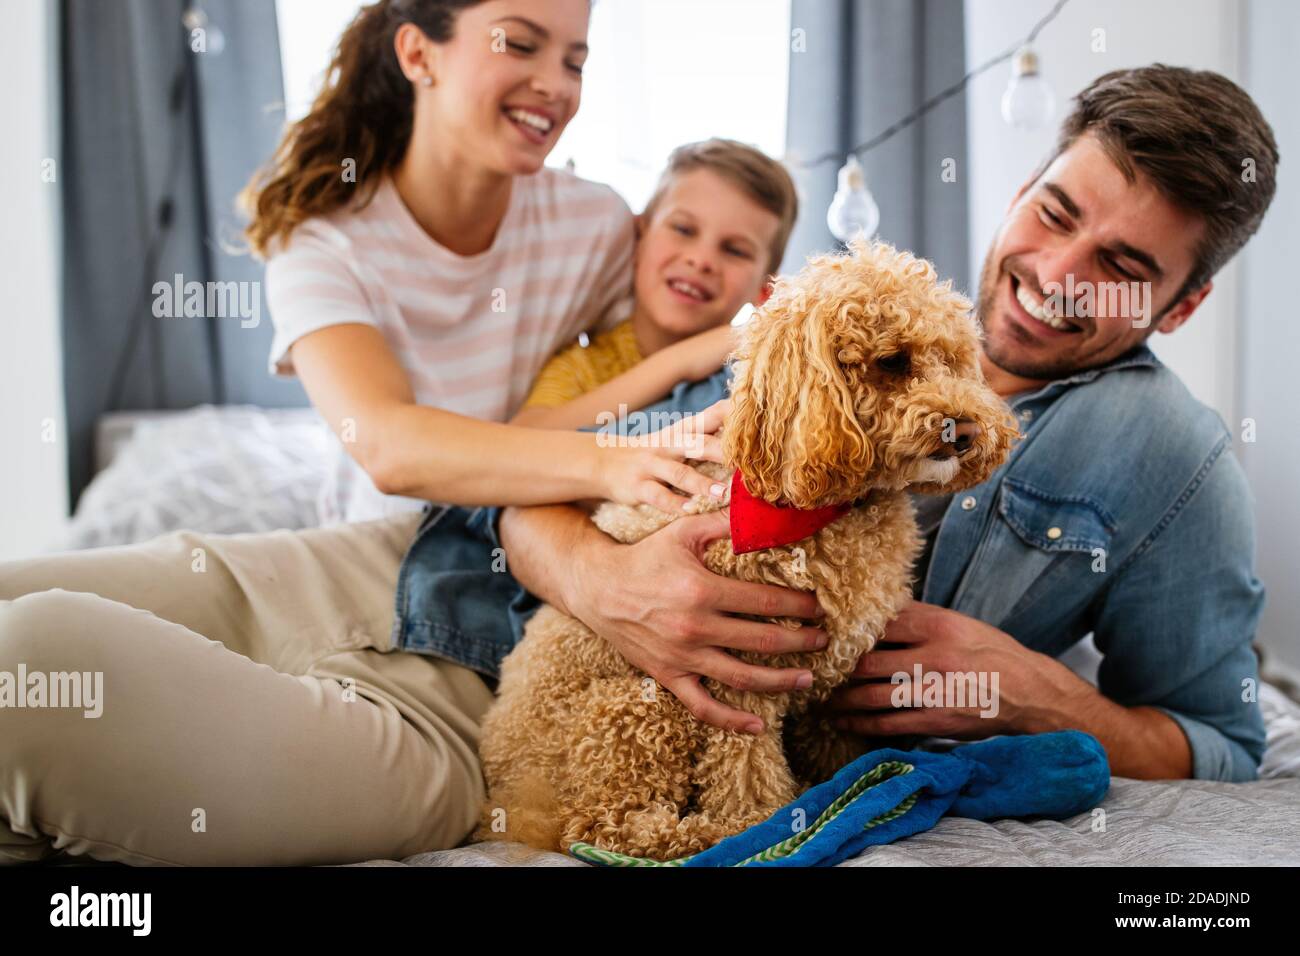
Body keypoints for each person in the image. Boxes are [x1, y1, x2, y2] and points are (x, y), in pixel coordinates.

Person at [0, 0, 756, 866]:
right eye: (520, 42)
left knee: (41, 669)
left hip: (481, 661)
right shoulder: (325, 239)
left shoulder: (591, 224)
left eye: (576, 61)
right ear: (417, 52)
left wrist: (726, 345)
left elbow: (669, 341)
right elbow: (389, 443)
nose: (554, 84)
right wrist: (607, 461)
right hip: (370, 557)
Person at [407, 65, 1280, 785]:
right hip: (464, 609)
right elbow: (531, 492)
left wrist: (1041, 697)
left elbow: (1226, 745)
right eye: (1054, 214)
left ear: (1183, 304)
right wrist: (605, 582)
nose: (1056, 274)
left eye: (1121, 268)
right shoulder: (852, 314)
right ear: (1023, 191)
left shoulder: (1175, 461)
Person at [512, 138, 796, 431]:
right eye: (683, 229)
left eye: (735, 250)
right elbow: (521, 442)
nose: (701, 260)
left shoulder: (756, 377)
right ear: (638, 236)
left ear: (767, 291)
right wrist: (680, 361)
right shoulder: (581, 368)